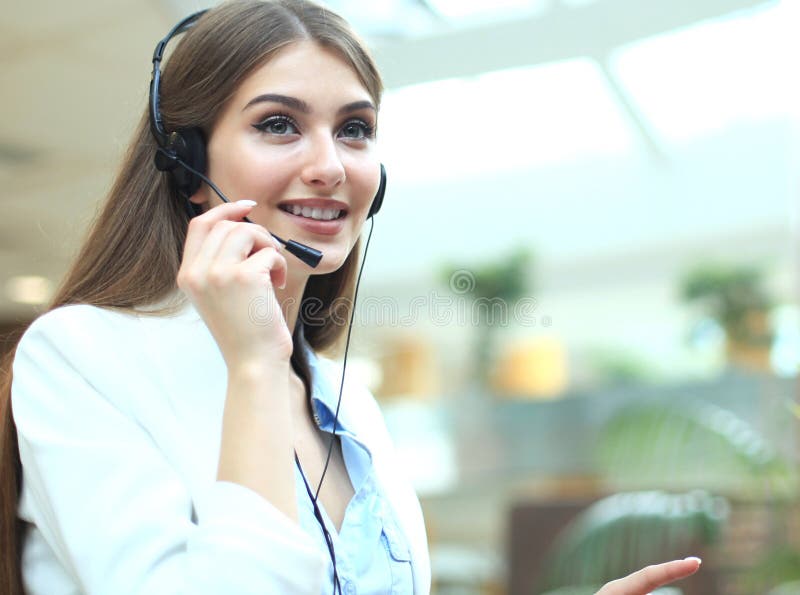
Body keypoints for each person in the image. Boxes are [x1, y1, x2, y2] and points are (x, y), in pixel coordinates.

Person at [0, 1, 702, 593]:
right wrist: (253, 368)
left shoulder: (346, 398)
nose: (330, 165)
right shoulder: (80, 357)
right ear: (186, 163)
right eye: (279, 123)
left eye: (354, 129)